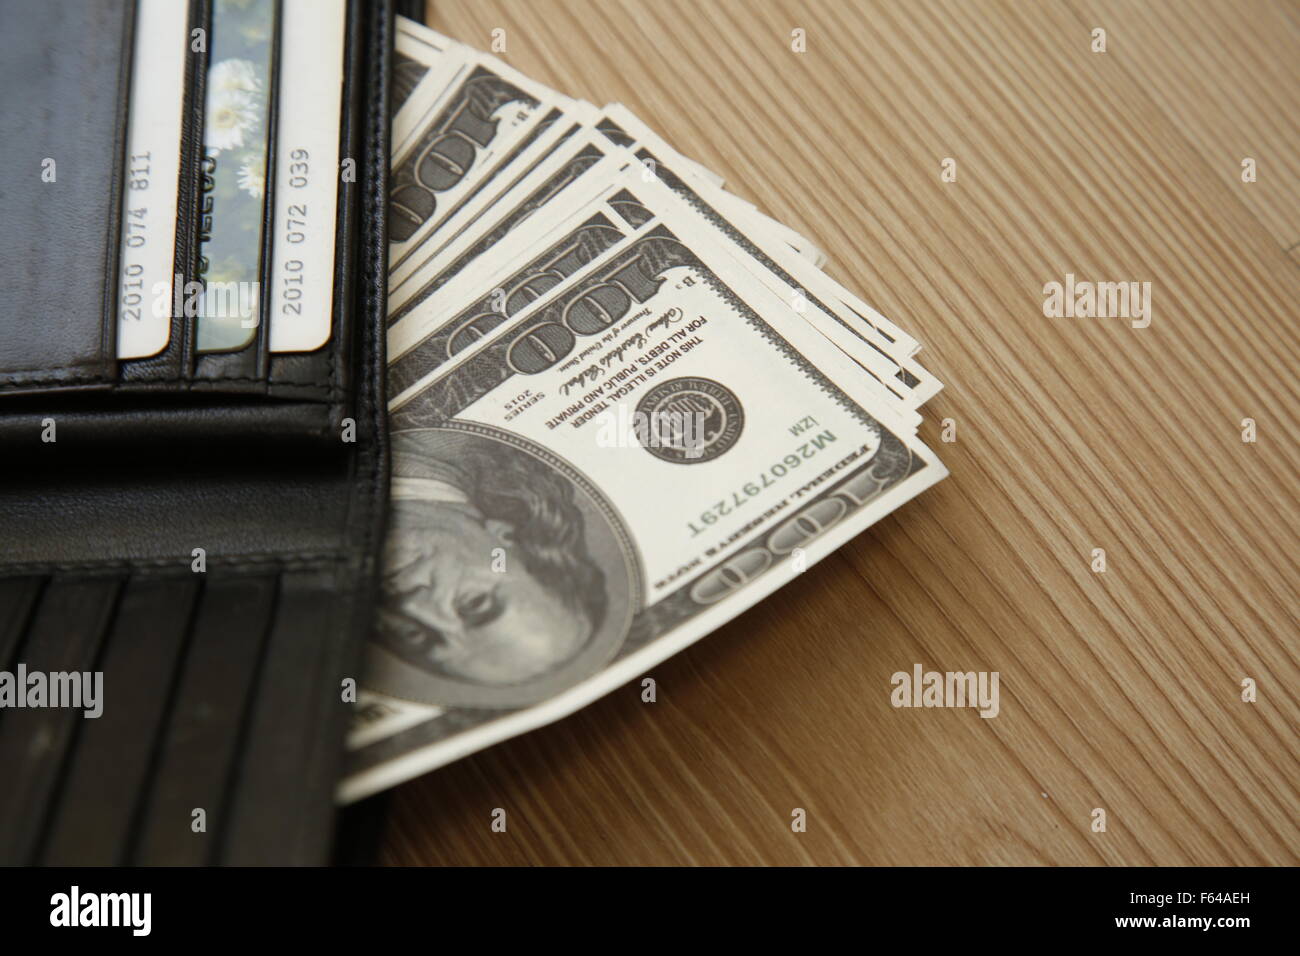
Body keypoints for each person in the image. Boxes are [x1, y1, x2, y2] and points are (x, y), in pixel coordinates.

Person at [375, 429, 608, 688]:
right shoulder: (433, 435)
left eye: (416, 635)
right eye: (475, 603)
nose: (410, 607)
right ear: (510, 540)